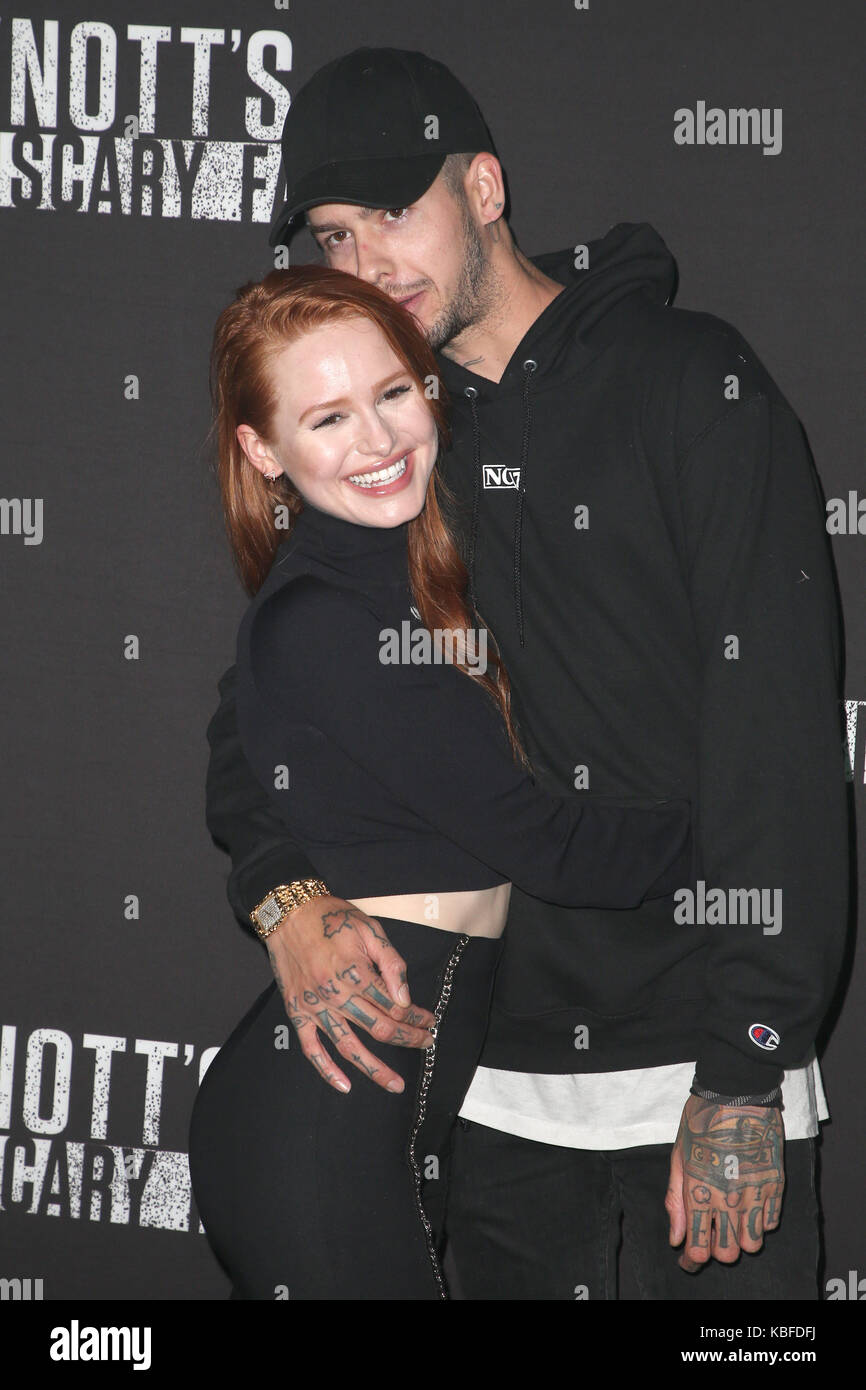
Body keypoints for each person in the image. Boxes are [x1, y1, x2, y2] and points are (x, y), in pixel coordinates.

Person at [202, 48, 849, 1299]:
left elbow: (775, 739)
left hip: (698, 1071)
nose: (366, 257)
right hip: (480, 1080)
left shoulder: (691, 386)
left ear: (485, 188)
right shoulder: (390, 433)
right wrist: (283, 893)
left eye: (395, 209)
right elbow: (260, 711)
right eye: (332, 230)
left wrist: (746, 1059)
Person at [188, 263, 693, 1300]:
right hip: (321, 1124)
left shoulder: (407, 564)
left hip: (374, 1117)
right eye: (325, 417)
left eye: (390, 393)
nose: (376, 442)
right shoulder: (327, 614)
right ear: (261, 449)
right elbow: (545, 843)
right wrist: (750, 820)